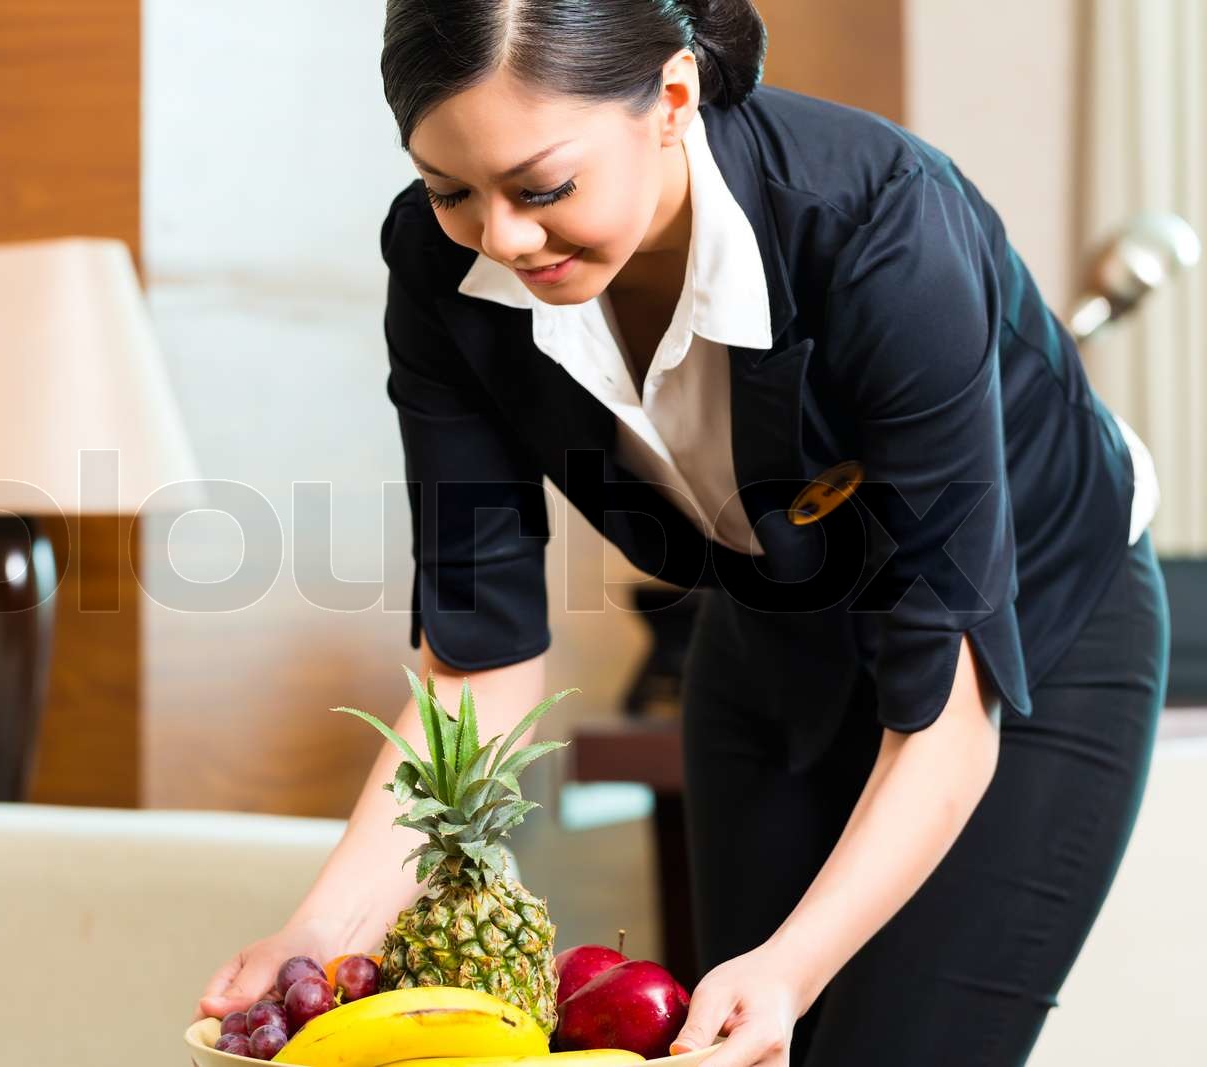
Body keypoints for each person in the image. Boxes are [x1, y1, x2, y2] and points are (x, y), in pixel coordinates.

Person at [197, 3, 1170, 1064]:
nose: (501, 237)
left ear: (669, 97)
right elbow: (477, 661)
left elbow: (945, 708)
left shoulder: (879, 223)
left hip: (1027, 636)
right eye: (448, 190)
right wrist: (320, 934)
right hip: (767, 625)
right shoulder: (441, 273)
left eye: (540, 187)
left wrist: (790, 967)